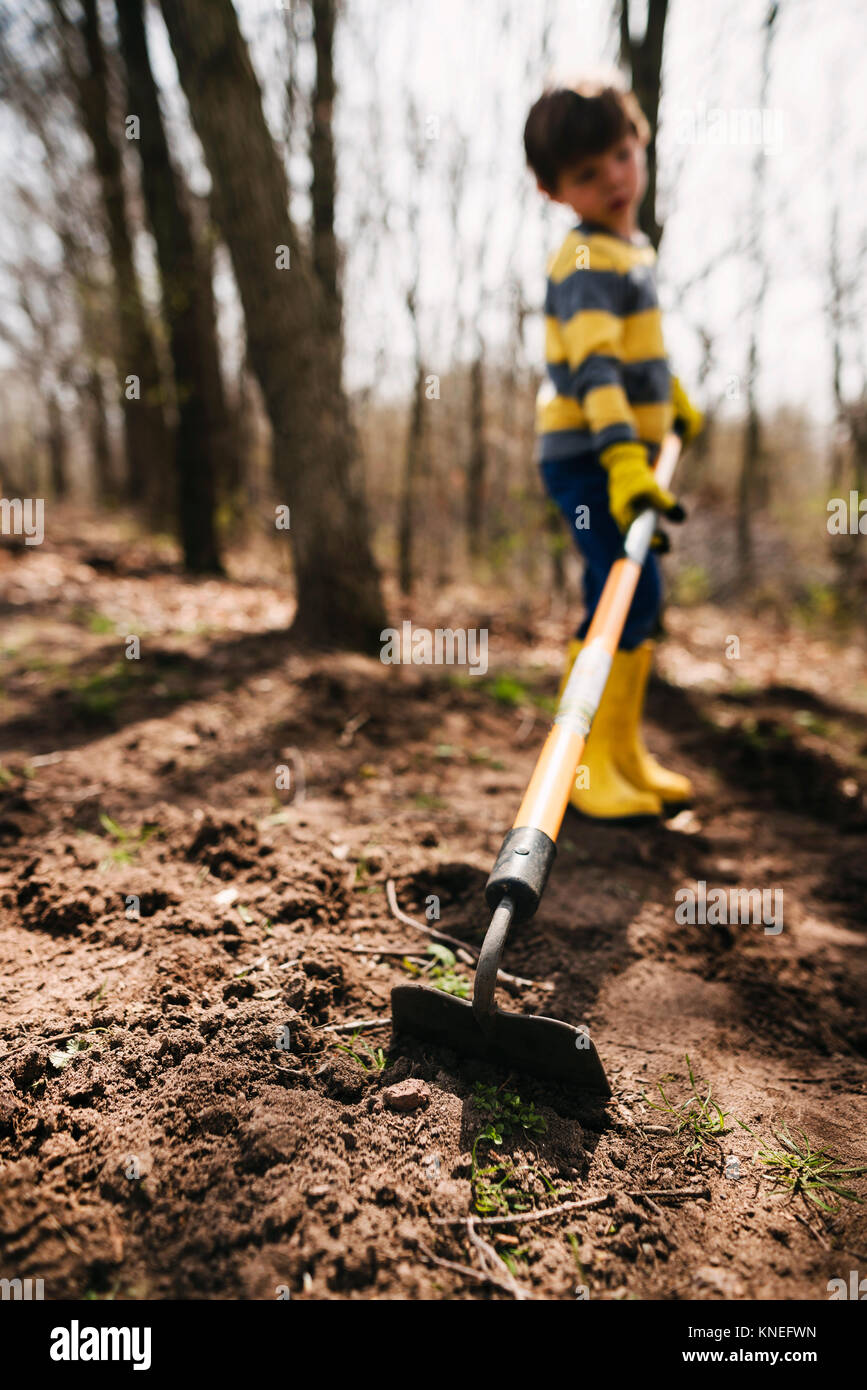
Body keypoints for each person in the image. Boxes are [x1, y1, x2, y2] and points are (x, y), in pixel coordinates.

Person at [523, 78, 704, 819]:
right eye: (586, 175)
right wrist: (626, 459)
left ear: (640, 143)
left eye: (621, 157)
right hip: (589, 458)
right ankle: (590, 768)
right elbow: (594, 369)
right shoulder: (587, 259)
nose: (614, 181)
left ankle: (623, 753)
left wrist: (671, 400)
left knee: (633, 596)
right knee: (618, 596)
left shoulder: (627, 252)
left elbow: (632, 359)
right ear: (552, 191)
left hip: (618, 451)